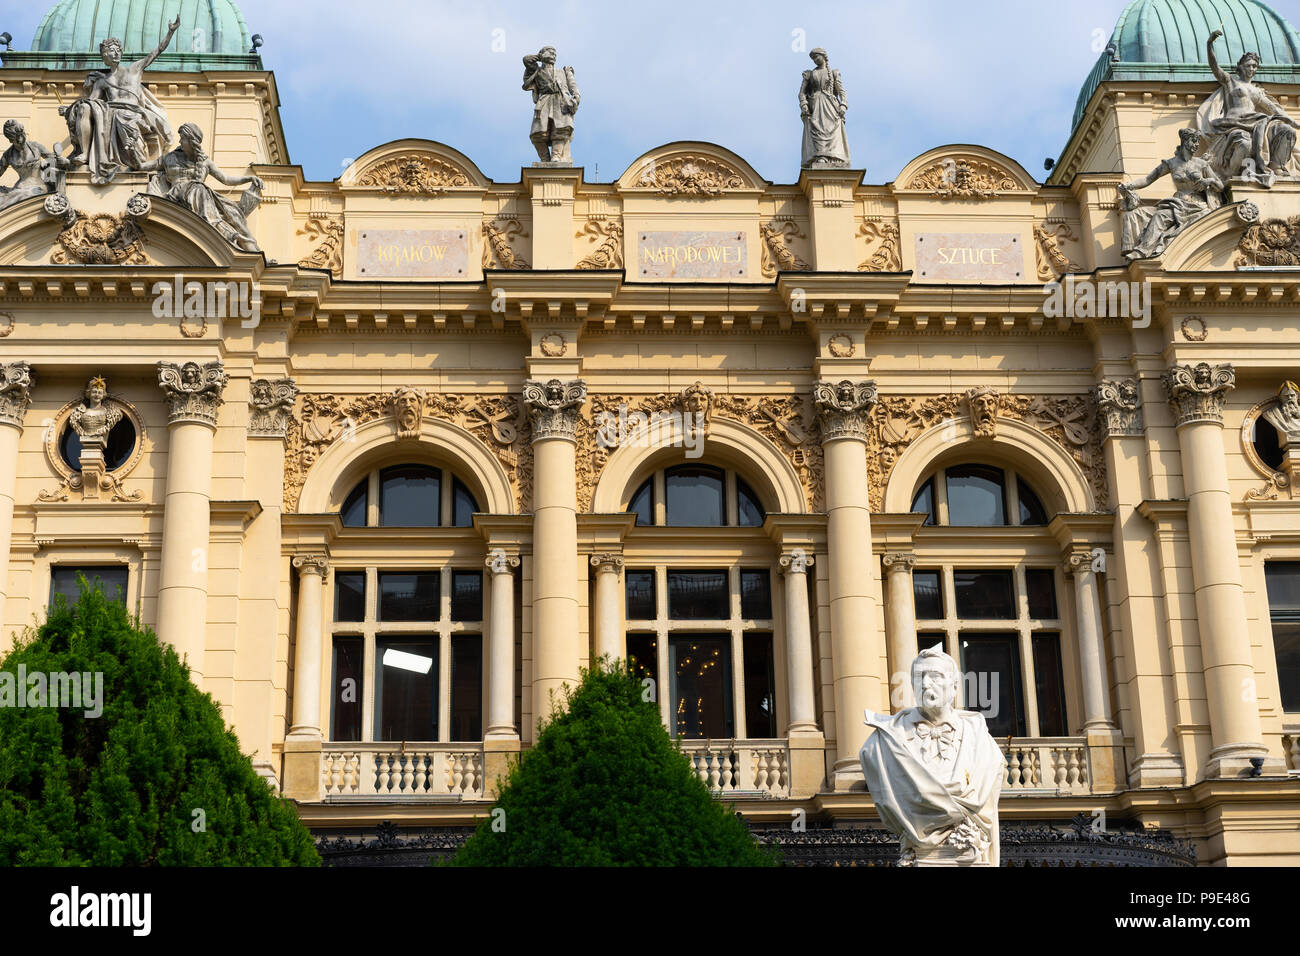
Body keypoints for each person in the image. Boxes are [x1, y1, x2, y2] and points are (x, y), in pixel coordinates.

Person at [859, 645, 1006, 866]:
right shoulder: (881, 745)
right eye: (919, 677)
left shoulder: (982, 743)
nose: (926, 683)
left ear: (955, 686)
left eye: (935, 676)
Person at [61, 19, 180, 185]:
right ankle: (85, 154)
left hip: (133, 114)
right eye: (111, 51)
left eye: (117, 50)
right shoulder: (102, 82)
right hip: (111, 112)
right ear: (104, 56)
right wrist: (69, 109)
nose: (115, 53)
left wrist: (171, 32)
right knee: (85, 109)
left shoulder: (134, 69)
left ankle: (135, 162)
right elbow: (91, 101)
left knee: (122, 119)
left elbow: (157, 51)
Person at [1197, 29, 1299, 186]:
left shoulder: (1257, 91)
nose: (1252, 69)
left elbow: (1273, 109)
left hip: (1256, 122)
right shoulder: (1230, 82)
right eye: (1249, 65)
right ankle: (1230, 174)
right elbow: (1214, 67)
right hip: (1235, 123)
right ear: (1240, 66)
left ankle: (1276, 167)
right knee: (1245, 143)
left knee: (1287, 131)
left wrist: (1292, 122)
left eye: (1255, 66)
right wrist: (1210, 43)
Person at [140, 123, 263, 252]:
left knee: (234, 215)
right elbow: (144, 166)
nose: (180, 141)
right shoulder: (170, 158)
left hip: (201, 196)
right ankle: (217, 225)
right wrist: (132, 155)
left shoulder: (204, 161)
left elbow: (225, 179)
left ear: (191, 141)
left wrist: (248, 178)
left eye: (183, 138)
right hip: (178, 194)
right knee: (198, 188)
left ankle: (252, 249)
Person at [1120, 128, 1224, 260]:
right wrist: (1129, 186)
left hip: (1198, 205)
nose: (1197, 144)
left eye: (1198, 141)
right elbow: (1148, 179)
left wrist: (1208, 180)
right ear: (1185, 141)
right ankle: (1141, 250)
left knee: (1160, 215)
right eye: (1194, 141)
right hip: (1179, 203)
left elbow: (1220, 186)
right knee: (1152, 215)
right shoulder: (1171, 163)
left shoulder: (1201, 164)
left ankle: (1142, 251)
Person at [522, 46, 579, 164]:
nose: (553, 54)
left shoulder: (563, 71)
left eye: (555, 53)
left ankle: (556, 156)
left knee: (560, 130)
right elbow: (526, 59)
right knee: (537, 134)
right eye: (550, 52)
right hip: (544, 101)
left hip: (560, 101)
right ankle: (545, 159)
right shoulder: (537, 70)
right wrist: (540, 57)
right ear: (542, 54)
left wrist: (575, 98)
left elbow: (573, 86)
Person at [0, 120, 66, 211]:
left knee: (21, 195)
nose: (20, 140)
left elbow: (53, 159)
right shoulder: (8, 155)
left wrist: (62, 162)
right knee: (7, 198)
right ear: (10, 140)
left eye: (22, 135)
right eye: (16, 138)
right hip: (19, 188)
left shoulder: (36, 147)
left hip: (39, 188)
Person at [799, 48, 850, 167]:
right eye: (813, 58)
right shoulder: (810, 74)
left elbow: (842, 92)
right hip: (815, 105)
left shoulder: (833, 73)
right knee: (817, 130)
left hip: (831, 106)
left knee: (831, 129)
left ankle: (834, 156)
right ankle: (821, 157)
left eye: (817, 57)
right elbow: (801, 93)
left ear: (823, 56)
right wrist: (804, 104)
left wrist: (843, 104)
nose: (815, 60)